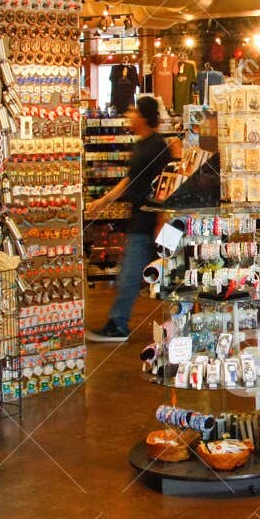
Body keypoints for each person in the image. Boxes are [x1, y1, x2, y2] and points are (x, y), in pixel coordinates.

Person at [87, 96, 174, 342]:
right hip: (142, 219)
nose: (129, 114)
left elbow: (165, 186)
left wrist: (161, 221)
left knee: (135, 275)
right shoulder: (142, 145)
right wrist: (103, 201)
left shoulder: (157, 147)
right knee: (158, 274)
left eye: (134, 111)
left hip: (153, 222)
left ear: (144, 117)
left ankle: (118, 326)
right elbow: (130, 180)